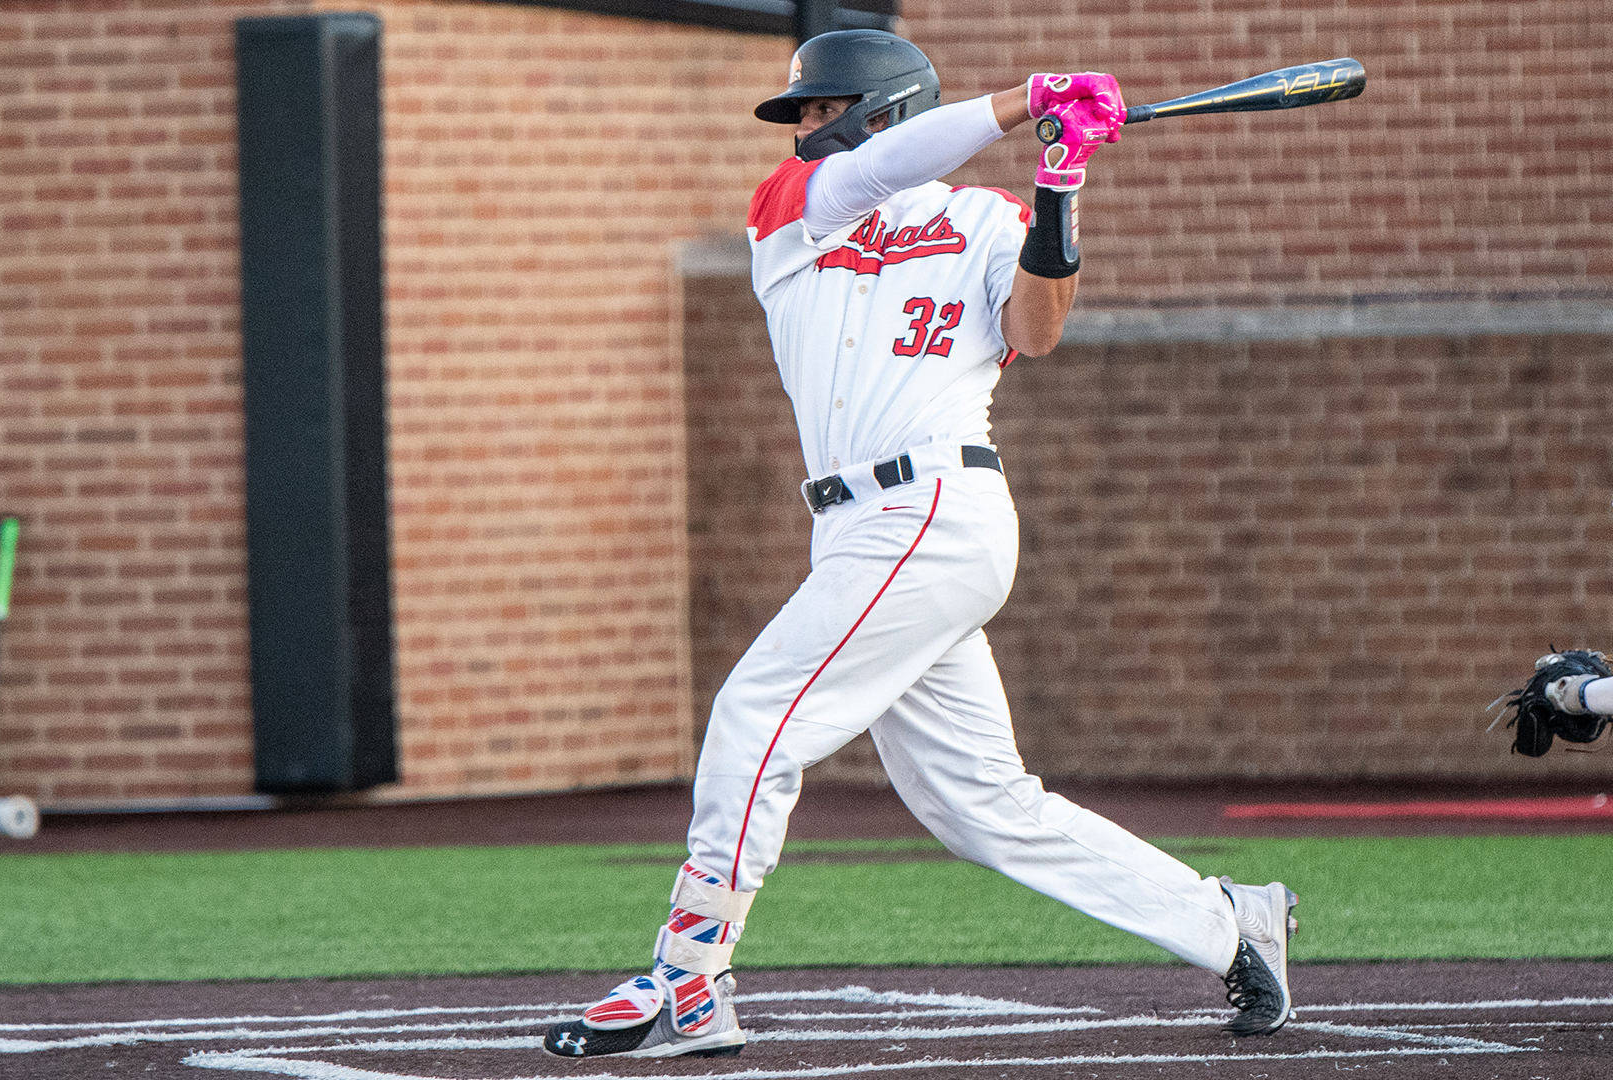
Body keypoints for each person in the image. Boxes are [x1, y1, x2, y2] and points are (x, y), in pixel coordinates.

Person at [542, 30, 1299, 1060]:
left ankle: (691, 977)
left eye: (822, 108)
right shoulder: (792, 211)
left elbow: (1035, 329)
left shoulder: (987, 219)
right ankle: (1230, 921)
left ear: (882, 104)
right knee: (980, 805)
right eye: (807, 113)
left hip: (935, 509)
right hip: (855, 527)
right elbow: (883, 167)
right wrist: (1024, 100)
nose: (804, 126)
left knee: (755, 715)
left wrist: (1062, 186)